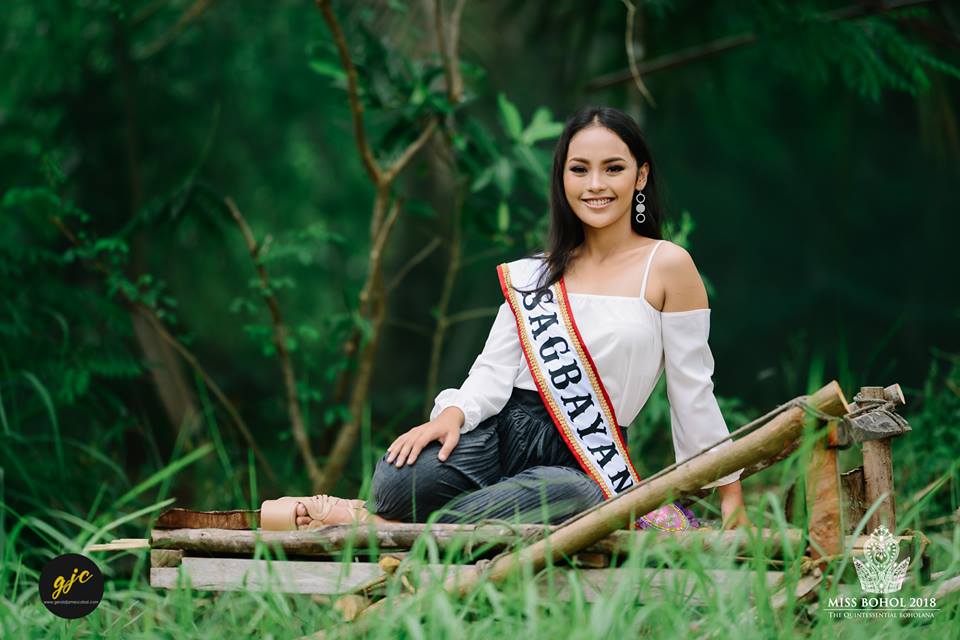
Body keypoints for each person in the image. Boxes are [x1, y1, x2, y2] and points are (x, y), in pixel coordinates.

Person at [260, 106, 751, 533]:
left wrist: (730, 495)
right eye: (580, 169)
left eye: (613, 168)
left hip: (583, 460)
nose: (596, 185)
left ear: (640, 177)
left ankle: (368, 525)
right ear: (562, 178)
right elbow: (492, 372)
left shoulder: (667, 265)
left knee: (570, 498)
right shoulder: (535, 272)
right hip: (501, 429)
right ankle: (390, 515)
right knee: (397, 479)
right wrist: (451, 415)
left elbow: (692, 391)